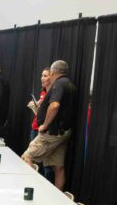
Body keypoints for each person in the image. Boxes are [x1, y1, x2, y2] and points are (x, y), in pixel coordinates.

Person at [23, 60, 77, 190]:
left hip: (53, 132)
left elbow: (55, 105)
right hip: (63, 131)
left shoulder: (58, 84)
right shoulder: (70, 84)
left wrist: (45, 125)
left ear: (53, 72)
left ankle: (33, 190)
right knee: (58, 167)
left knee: (27, 157)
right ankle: (59, 199)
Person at [27, 68, 51, 143]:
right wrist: (34, 106)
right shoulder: (43, 92)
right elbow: (38, 113)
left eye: (45, 76)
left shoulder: (52, 94)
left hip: (43, 129)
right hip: (35, 127)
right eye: (42, 75)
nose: (42, 78)